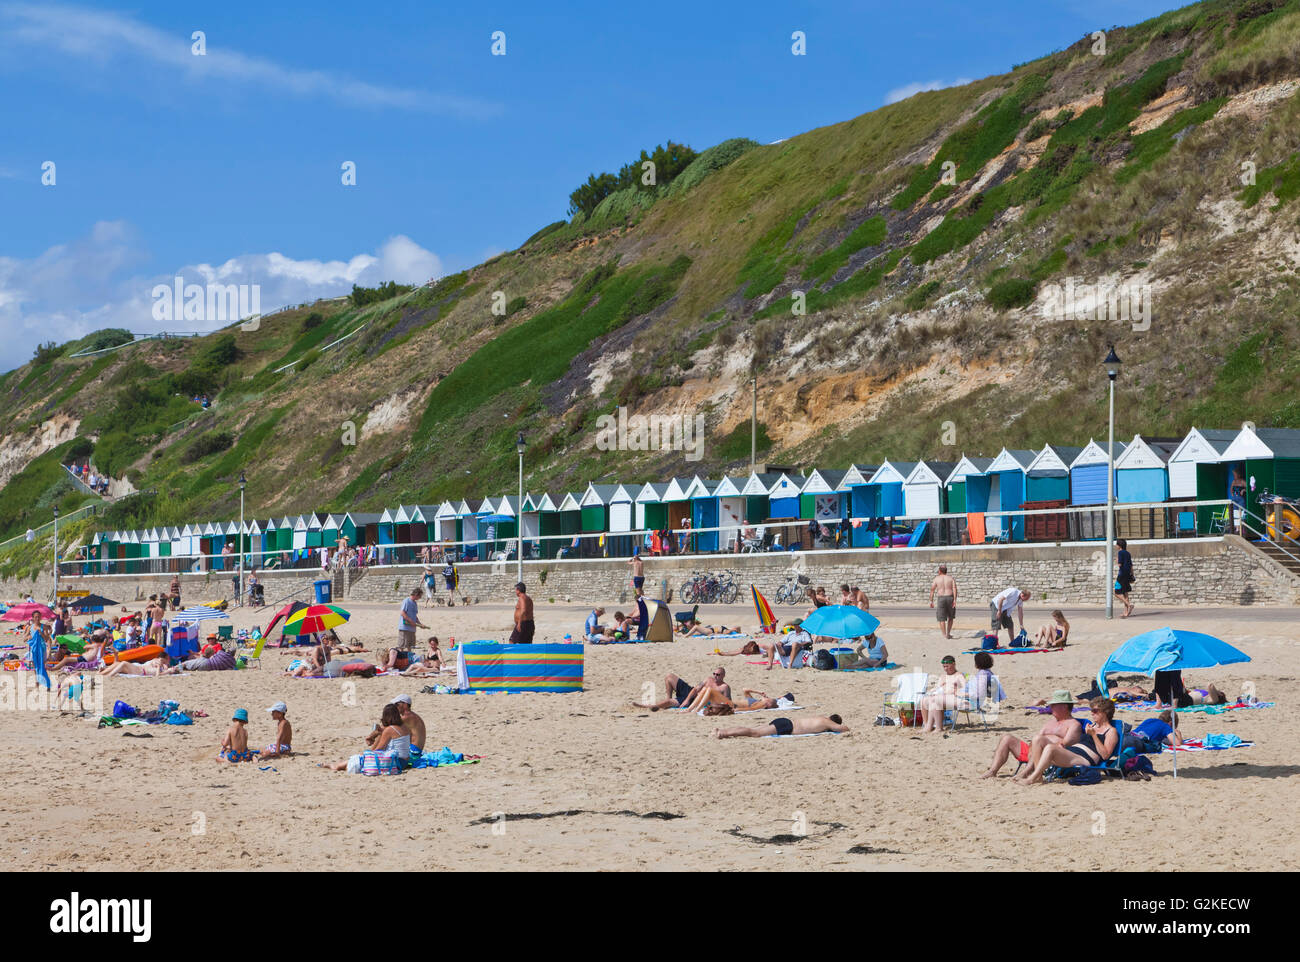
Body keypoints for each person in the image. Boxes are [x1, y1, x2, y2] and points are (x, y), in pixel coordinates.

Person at [981, 690, 1083, 778]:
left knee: (1039, 743)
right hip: (1032, 752)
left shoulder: (1074, 724)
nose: (1050, 707)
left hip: (1051, 756)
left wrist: (1043, 745)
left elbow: (1065, 746)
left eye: (1053, 705)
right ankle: (992, 771)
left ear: (1064, 706)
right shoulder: (1050, 723)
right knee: (1006, 738)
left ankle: (1027, 772)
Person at [1014, 697, 1118, 784]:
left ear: (1105, 712)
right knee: (1038, 739)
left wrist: (1094, 735)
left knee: (1050, 748)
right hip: (1072, 752)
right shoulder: (1092, 726)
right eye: (1091, 710)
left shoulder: (1111, 731)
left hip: (1086, 759)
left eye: (1095, 711)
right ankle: (1038, 776)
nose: (1091, 713)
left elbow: (1105, 755)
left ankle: (1032, 778)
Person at [325, 703, 411, 773]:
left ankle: (338, 766)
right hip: (405, 761)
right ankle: (339, 765)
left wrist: (367, 752)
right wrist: (378, 734)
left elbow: (378, 750)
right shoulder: (405, 727)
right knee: (364, 756)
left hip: (396, 762)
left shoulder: (389, 730)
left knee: (361, 758)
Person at [632, 669, 730, 711]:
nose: (715, 676)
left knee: (670, 702)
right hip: (690, 694)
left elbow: (728, 702)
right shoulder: (708, 679)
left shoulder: (724, 687)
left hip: (696, 701)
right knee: (669, 677)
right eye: (714, 674)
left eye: (718, 675)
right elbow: (695, 689)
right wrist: (687, 699)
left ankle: (649, 707)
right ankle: (668, 700)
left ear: (723, 676)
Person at [919, 655, 966, 733]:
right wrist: (932, 691)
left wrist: (954, 689)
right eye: (944, 667)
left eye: (947, 666)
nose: (945, 669)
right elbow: (937, 688)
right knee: (923, 700)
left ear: (953, 664)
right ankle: (927, 725)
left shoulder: (959, 675)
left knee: (934, 700)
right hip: (941, 695)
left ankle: (936, 727)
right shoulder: (943, 676)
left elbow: (964, 689)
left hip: (952, 697)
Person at [713, 714, 848, 739]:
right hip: (787, 727)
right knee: (754, 733)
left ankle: (723, 731)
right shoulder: (826, 723)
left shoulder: (821, 717)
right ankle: (723, 733)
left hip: (785, 722)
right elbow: (841, 729)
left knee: (754, 729)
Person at [929, 565, 957, 639]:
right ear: (946, 571)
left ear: (939, 571)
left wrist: (931, 601)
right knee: (950, 617)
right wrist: (954, 599)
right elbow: (954, 588)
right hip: (950, 597)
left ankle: (944, 635)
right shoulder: (951, 578)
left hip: (941, 598)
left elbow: (932, 590)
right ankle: (948, 634)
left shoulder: (936, 579)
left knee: (941, 618)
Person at [1115, 538, 1134, 617]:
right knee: (1125, 593)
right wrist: (1132, 575)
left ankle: (1129, 605)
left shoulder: (1120, 552)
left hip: (1122, 574)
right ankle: (1126, 612)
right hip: (1127, 574)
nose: (1116, 546)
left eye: (1116, 544)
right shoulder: (1128, 553)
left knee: (1116, 593)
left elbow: (1120, 564)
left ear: (1119, 545)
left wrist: (1117, 561)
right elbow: (1131, 566)